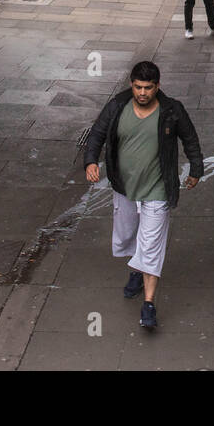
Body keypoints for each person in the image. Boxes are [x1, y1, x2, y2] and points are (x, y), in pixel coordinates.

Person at [83, 60, 204, 330]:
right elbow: (97, 134)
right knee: (128, 234)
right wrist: (90, 161)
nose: (142, 93)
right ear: (131, 84)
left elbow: (190, 139)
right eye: (138, 87)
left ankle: (148, 304)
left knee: (151, 244)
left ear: (157, 86)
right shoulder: (117, 106)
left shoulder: (172, 110)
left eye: (148, 88)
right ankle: (136, 270)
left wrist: (196, 168)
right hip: (124, 187)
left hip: (158, 189)